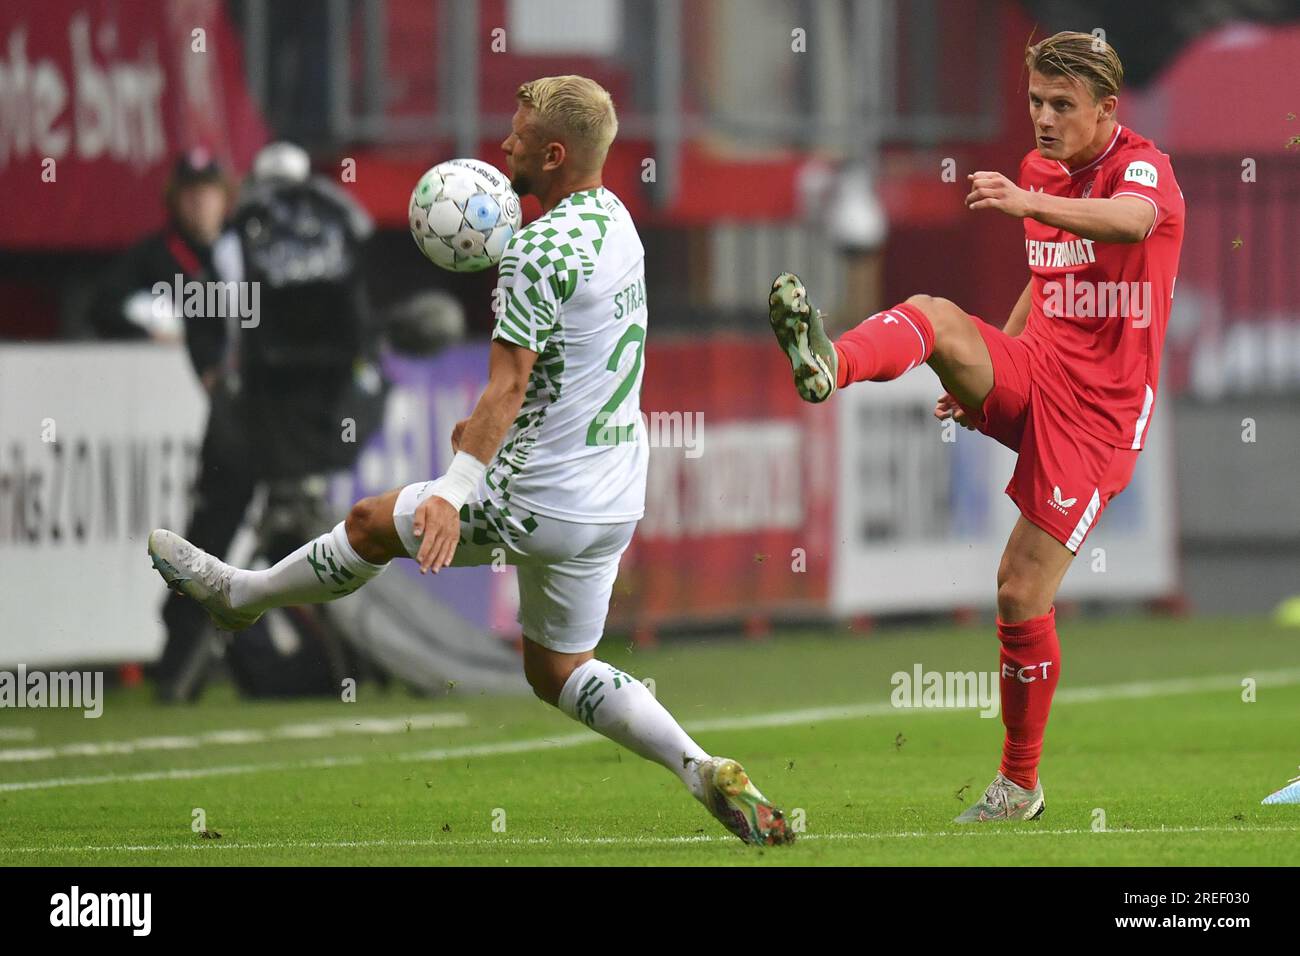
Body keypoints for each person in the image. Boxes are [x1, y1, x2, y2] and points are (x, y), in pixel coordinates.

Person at [147, 76, 794, 846]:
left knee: (368, 522)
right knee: (558, 670)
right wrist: (496, 427)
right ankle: (701, 767)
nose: (504, 144)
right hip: (613, 495)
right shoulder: (617, 222)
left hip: (543, 494)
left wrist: (456, 489)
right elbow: (562, 367)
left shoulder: (535, 253)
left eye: (518, 135)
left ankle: (245, 595)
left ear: (555, 155)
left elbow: (509, 384)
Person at [767, 32, 1184, 823]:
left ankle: (1019, 785)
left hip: (1100, 422)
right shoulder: (1037, 172)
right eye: (1035, 101)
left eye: (1063, 105)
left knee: (1019, 592)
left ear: (1106, 108)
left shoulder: (1141, 169)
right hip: (1039, 373)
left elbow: (1129, 224)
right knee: (937, 318)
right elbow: (1046, 273)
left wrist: (1030, 202)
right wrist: (988, 368)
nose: (1045, 119)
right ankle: (832, 361)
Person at [152, 141, 383, 702]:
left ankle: (176, 670)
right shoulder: (338, 243)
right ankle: (358, 665)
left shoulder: (234, 247)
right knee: (325, 543)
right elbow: (363, 336)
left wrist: (217, 379)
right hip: (315, 427)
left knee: (211, 535)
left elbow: (206, 326)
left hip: (247, 425)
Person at [89, 148, 237, 388]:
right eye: (190, 192)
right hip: (170, 382)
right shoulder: (153, 254)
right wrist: (147, 335)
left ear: (224, 198)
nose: (200, 201)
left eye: (208, 191)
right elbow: (102, 308)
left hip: (236, 379)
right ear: (174, 199)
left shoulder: (242, 249)